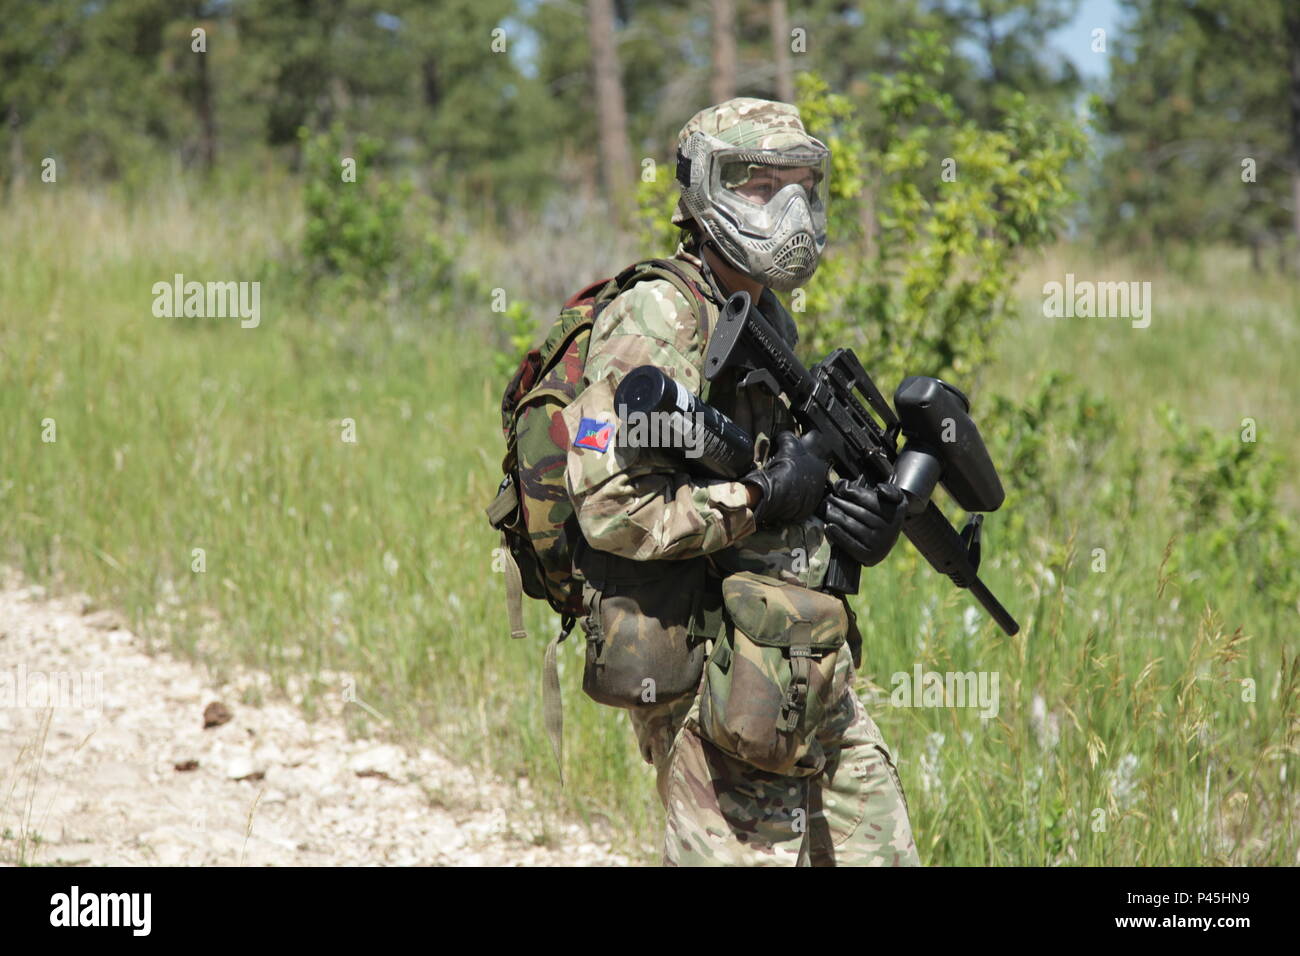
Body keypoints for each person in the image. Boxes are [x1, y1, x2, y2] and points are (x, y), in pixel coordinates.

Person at [561, 97, 920, 866]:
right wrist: (758, 500)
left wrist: (845, 517)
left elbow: (776, 467)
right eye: (759, 188)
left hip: (796, 660)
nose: (787, 210)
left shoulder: (764, 313)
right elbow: (608, 509)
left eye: (800, 187)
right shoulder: (655, 314)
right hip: (704, 672)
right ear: (704, 192)